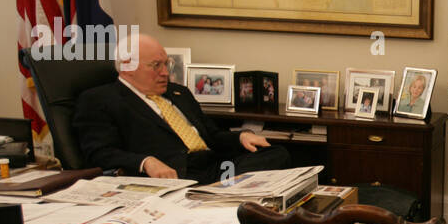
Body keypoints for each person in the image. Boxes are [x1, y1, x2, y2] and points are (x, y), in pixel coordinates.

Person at [74, 34, 290, 184]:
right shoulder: (100, 100)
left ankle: (222, 189)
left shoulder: (179, 92)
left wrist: (241, 137)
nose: (165, 73)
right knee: (259, 173)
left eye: (166, 65)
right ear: (128, 66)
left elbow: (212, 136)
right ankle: (225, 189)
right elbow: (99, 153)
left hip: (214, 166)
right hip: (178, 174)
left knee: (278, 154)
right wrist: (145, 162)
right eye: (155, 65)